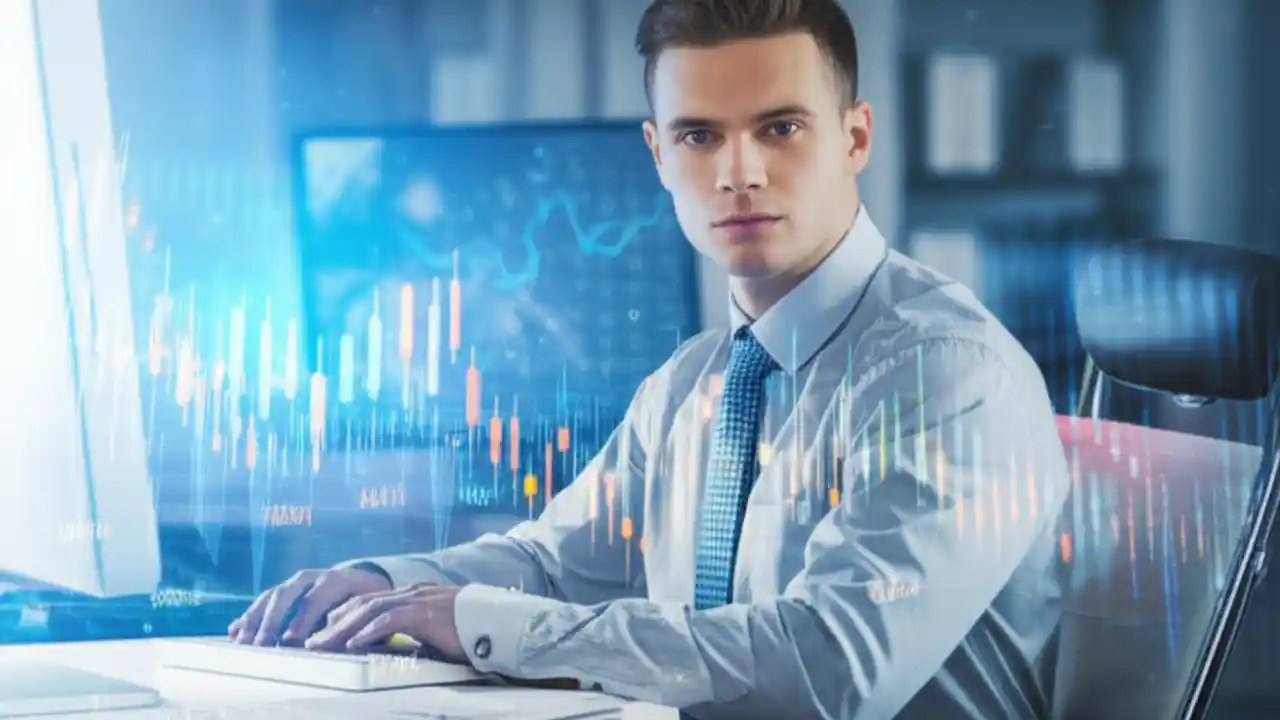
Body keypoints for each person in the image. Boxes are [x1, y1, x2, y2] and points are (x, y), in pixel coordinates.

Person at [228, 1, 1071, 717]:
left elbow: (833, 666)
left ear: (855, 138)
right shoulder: (691, 385)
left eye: (780, 128)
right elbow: (554, 566)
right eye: (699, 135)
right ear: (659, 155)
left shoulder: (947, 371)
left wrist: (484, 620)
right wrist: (381, 584)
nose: (738, 173)